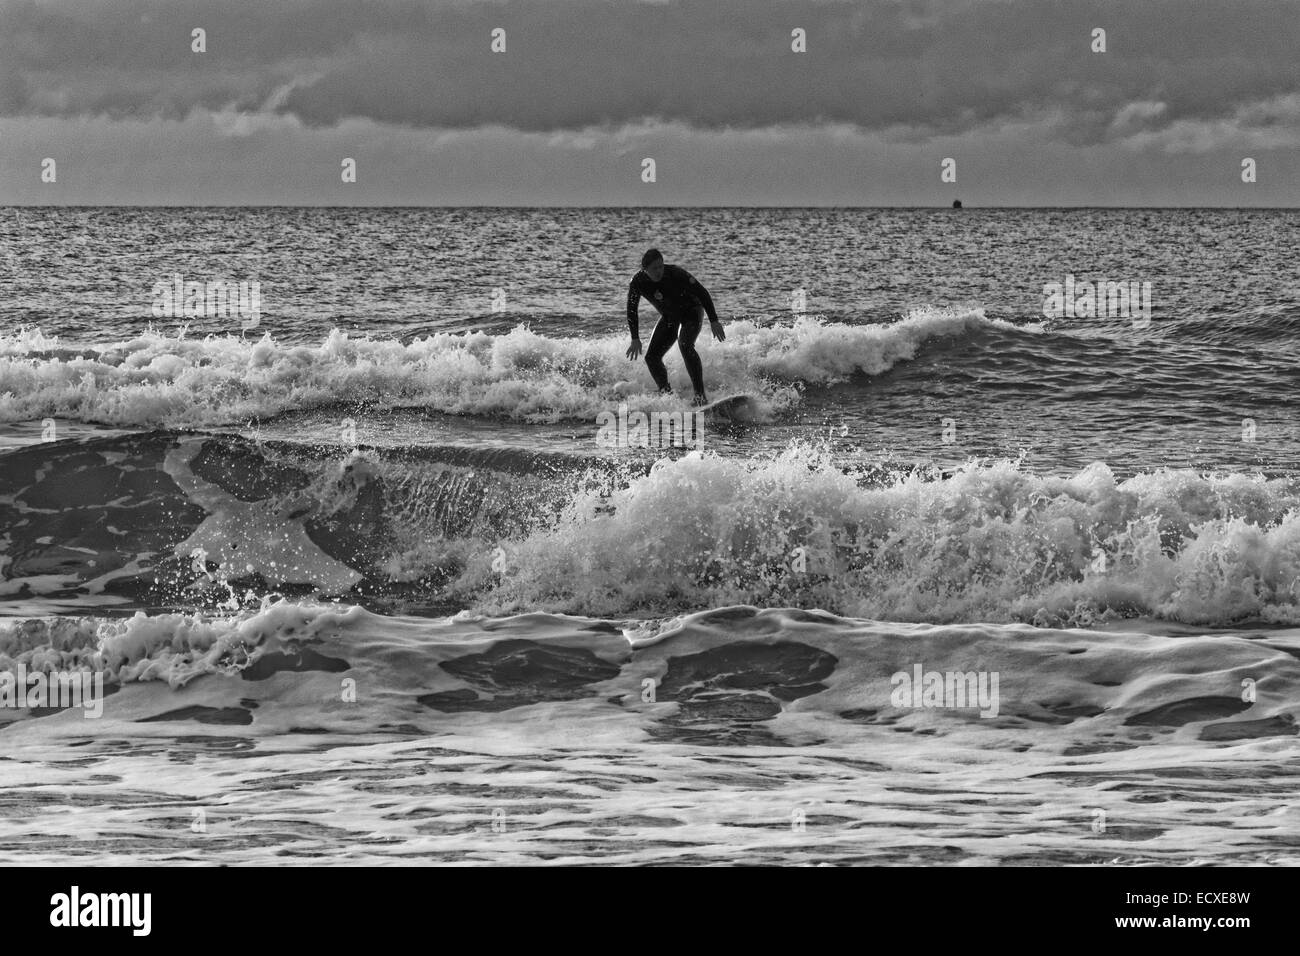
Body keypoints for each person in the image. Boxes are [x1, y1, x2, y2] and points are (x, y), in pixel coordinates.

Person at [625, 248, 725, 405]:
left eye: (661, 266)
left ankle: (700, 396)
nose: (659, 271)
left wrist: (714, 320)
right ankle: (667, 396)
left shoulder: (675, 273)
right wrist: (635, 338)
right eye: (654, 268)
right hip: (670, 317)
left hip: (691, 311)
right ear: (645, 270)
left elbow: (702, 293)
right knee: (651, 357)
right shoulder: (638, 282)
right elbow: (631, 310)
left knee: (685, 344)